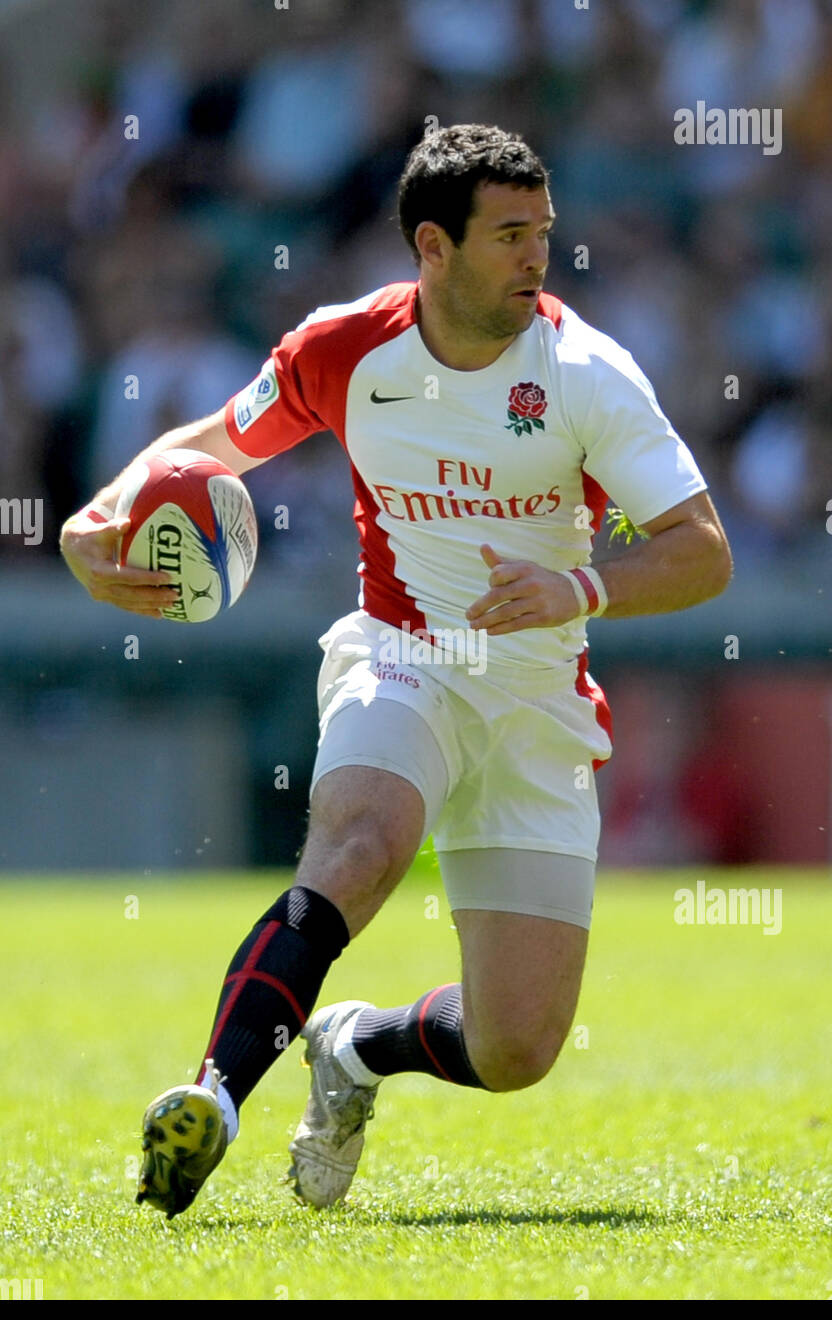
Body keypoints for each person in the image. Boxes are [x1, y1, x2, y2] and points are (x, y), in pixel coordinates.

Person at [60, 124, 732, 1218]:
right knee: (360, 843)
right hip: (401, 654)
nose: (535, 258)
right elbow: (213, 447)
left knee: (516, 1045)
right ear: (433, 245)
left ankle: (355, 1048)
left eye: (543, 233)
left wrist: (583, 588)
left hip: (535, 700)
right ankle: (213, 1095)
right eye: (509, 235)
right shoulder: (344, 350)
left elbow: (701, 549)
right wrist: (97, 520)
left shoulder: (585, 373)